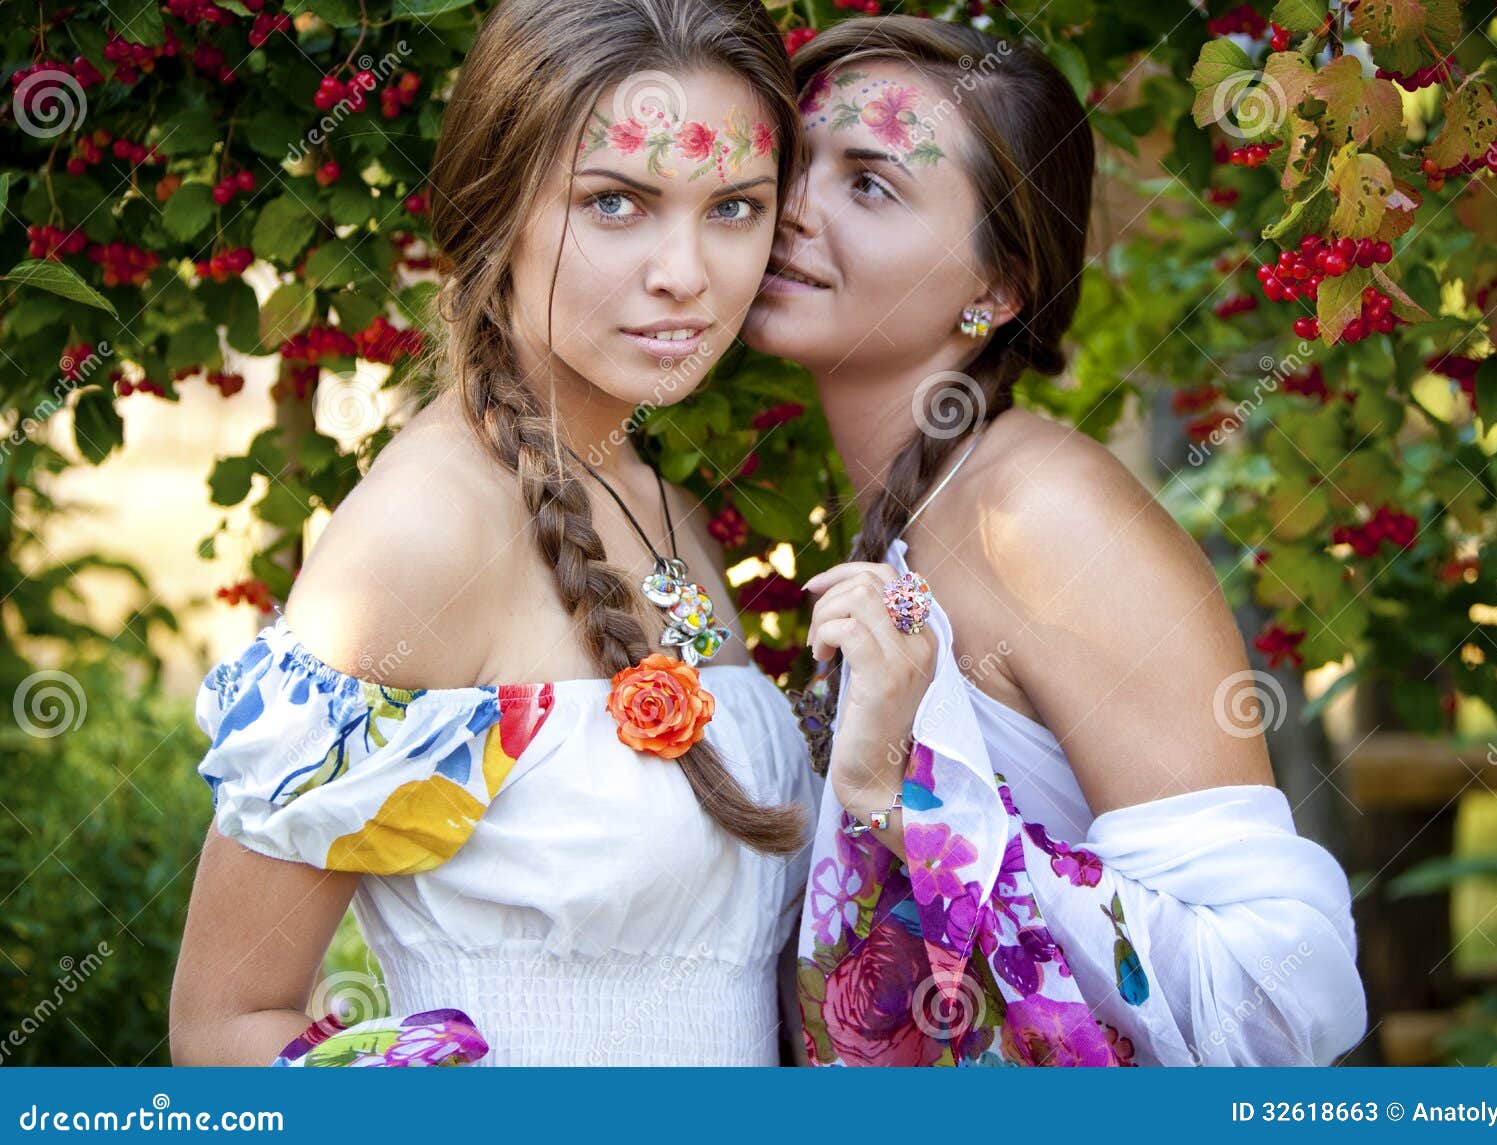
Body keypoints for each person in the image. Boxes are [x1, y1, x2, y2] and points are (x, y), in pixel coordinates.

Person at [170, 0, 821, 1067]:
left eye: (735, 207)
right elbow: (225, 1025)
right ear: (494, 205)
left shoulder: (654, 502)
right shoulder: (424, 535)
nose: (687, 272)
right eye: (615, 202)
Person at [742, 14, 1367, 1066]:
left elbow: (1276, 996)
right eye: (792, 161)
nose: (788, 208)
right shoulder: (917, 507)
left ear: (997, 289)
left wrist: (907, 805)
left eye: (870, 183)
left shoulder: (1039, 513)